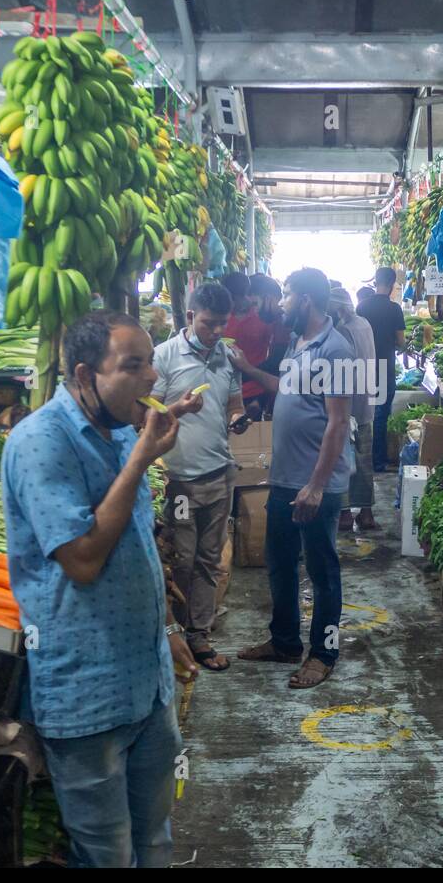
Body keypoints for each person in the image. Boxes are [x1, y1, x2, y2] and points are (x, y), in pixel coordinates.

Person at [1, 310, 201, 868]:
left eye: (151, 365)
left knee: (155, 838)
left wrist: (168, 627)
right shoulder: (41, 442)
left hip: (148, 681)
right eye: (133, 366)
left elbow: (136, 547)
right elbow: (84, 560)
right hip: (88, 691)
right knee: (108, 855)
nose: (151, 380)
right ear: (87, 375)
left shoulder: (116, 432)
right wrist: (141, 457)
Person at [231, 268, 354, 689]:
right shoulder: (299, 343)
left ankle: (323, 653)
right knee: (280, 564)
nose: (280, 303)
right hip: (285, 478)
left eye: (285, 295)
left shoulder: (336, 350)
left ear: (305, 300)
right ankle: (284, 642)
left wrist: (316, 485)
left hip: (318, 483)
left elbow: (338, 423)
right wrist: (248, 370)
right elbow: (287, 388)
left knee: (323, 572)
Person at [151, 282, 249, 672]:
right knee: (183, 560)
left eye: (222, 324)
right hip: (179, 480)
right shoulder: (164, 356)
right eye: (209, 324)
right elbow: (146, 417)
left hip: (220, 474)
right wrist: (178, 408)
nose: (216, 332)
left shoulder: (225, 356)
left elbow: (234, 404)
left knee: (210, 559)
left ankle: (200, 635)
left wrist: (239, 419)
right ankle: (173, 636)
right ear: (191, 317)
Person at [329, 285, 379, 533]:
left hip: (349, 405)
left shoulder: (342, 330)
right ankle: (367, 513)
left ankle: (346, 513)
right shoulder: (364, 324)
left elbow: (342, 370)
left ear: (338, 309)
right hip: (367, 402)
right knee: (364, 460)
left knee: (345, 460)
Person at [357, 265, 406, 472]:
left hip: (362, 366)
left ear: (375, 282)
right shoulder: (394, 309)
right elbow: (401, 343)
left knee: (362, 414)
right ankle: (378, 461)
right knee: (381, 414)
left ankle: (360, 460)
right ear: (393, 284)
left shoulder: (361, 307)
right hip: (384, 367)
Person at [221, 272, 272, 420]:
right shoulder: (221, 318)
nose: (229, 302)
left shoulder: (262, 318)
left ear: (244, 295)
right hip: (226, 391)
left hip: (254, 392)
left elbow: (272, 361)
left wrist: (262, 400)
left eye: (232, 298)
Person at [253, 273, 290, 417]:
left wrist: (244, 370)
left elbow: (276, 362)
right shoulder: (276, 322)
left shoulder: (285, 324)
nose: (254, 310)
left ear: (268, 298)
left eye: (255, 303)